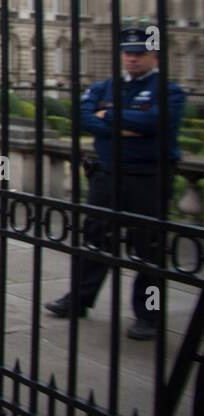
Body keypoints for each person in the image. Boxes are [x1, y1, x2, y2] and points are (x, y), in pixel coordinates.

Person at [45, 25, 185, 341]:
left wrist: (108, 116)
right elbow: (83, 116)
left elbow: (154, 122)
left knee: (148, 249)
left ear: (154, 56)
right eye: (128, 53)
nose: (132, 59)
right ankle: (79, 300)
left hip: (147, 177)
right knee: (94, 240)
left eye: (139, 54)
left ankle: (149, 315)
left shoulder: (170, 91)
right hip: (106, 175)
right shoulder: (104, 86)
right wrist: (124, 122)